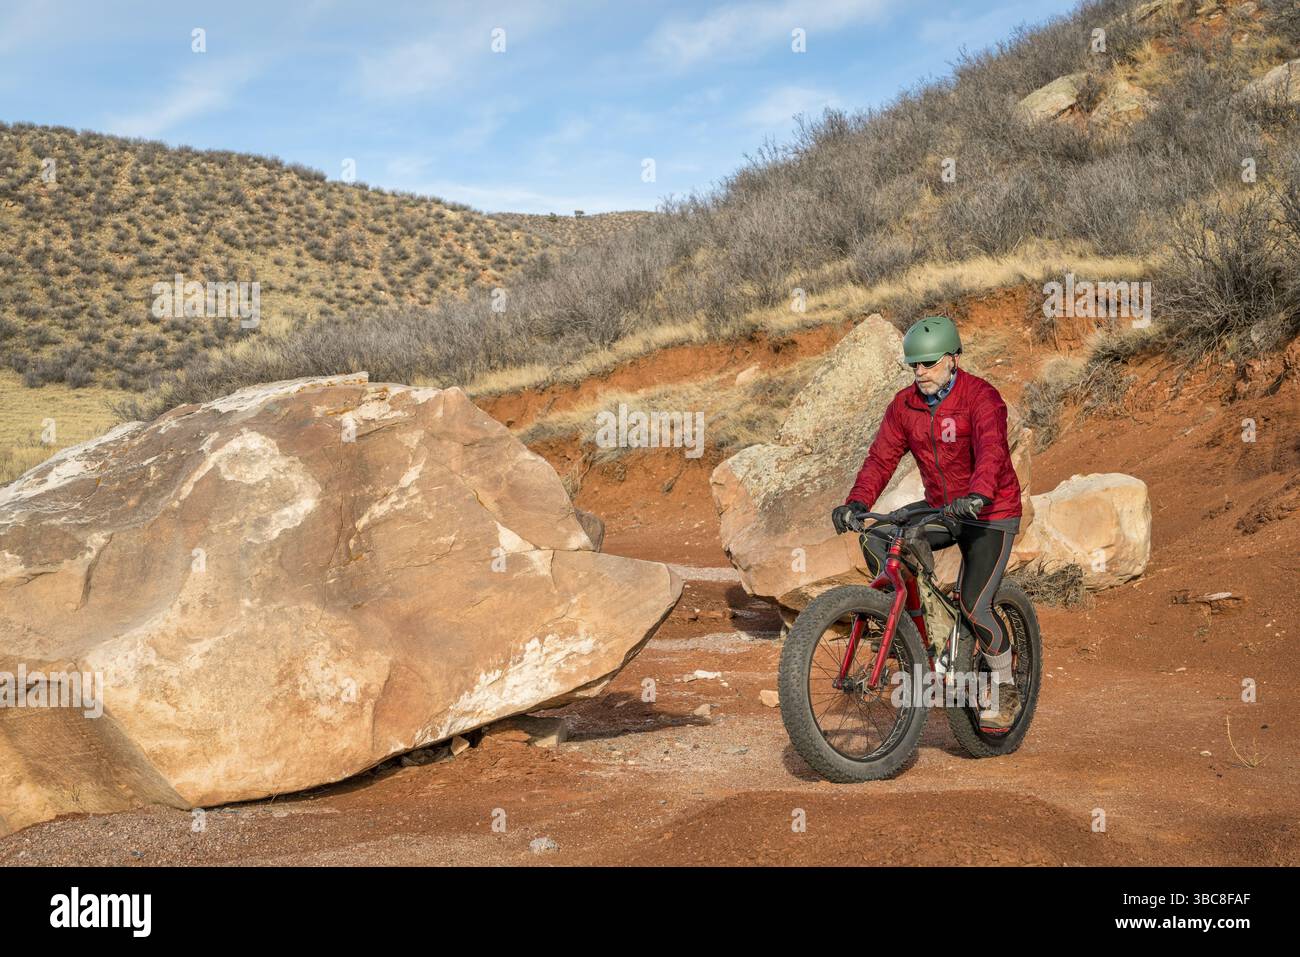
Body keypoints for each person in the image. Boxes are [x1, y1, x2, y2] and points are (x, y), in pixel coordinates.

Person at [830, 315, 1023, 731]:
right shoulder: (905, 406)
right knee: (879, 537)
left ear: (953, 359)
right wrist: (857, 501)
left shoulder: (981, 398)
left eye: (929, 364)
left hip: (990, 512)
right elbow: (881, 458)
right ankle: (918, 628)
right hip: (942, 508)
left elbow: (992, 451)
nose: (920, 373)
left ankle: (1005, 684)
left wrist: (979, 495)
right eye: (914, 366)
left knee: (975, 603)